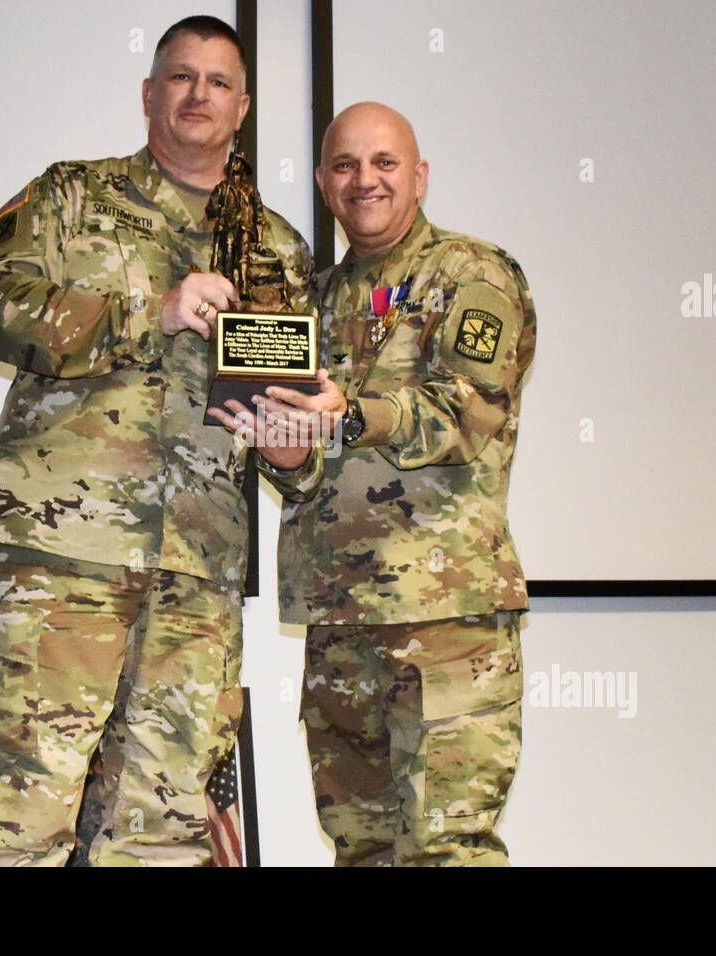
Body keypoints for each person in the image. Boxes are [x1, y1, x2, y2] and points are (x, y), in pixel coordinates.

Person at [0, 15, 311, 866]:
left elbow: (293, 434)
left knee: (164, 828)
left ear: (243, 106)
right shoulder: (69, 195)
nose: (198, 95)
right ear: (149, 94)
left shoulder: (279, 250)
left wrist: (296, 444)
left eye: (218, 82)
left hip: (198, 571)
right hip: (60, 552)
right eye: (180, 77)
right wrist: (148, 310)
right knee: (24, 814)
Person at [210, 102, 536, 866]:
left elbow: (468, 410)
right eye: (347, 166)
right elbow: (303, 461)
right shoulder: (309, 303)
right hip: (338, 622)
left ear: (418, 177)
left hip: (445, 618)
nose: (367, 180)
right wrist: (287, 455)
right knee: (360, 849)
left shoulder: (473, 273)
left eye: (385, 163)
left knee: (446, 848)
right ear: (325, 183)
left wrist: (349, 413)